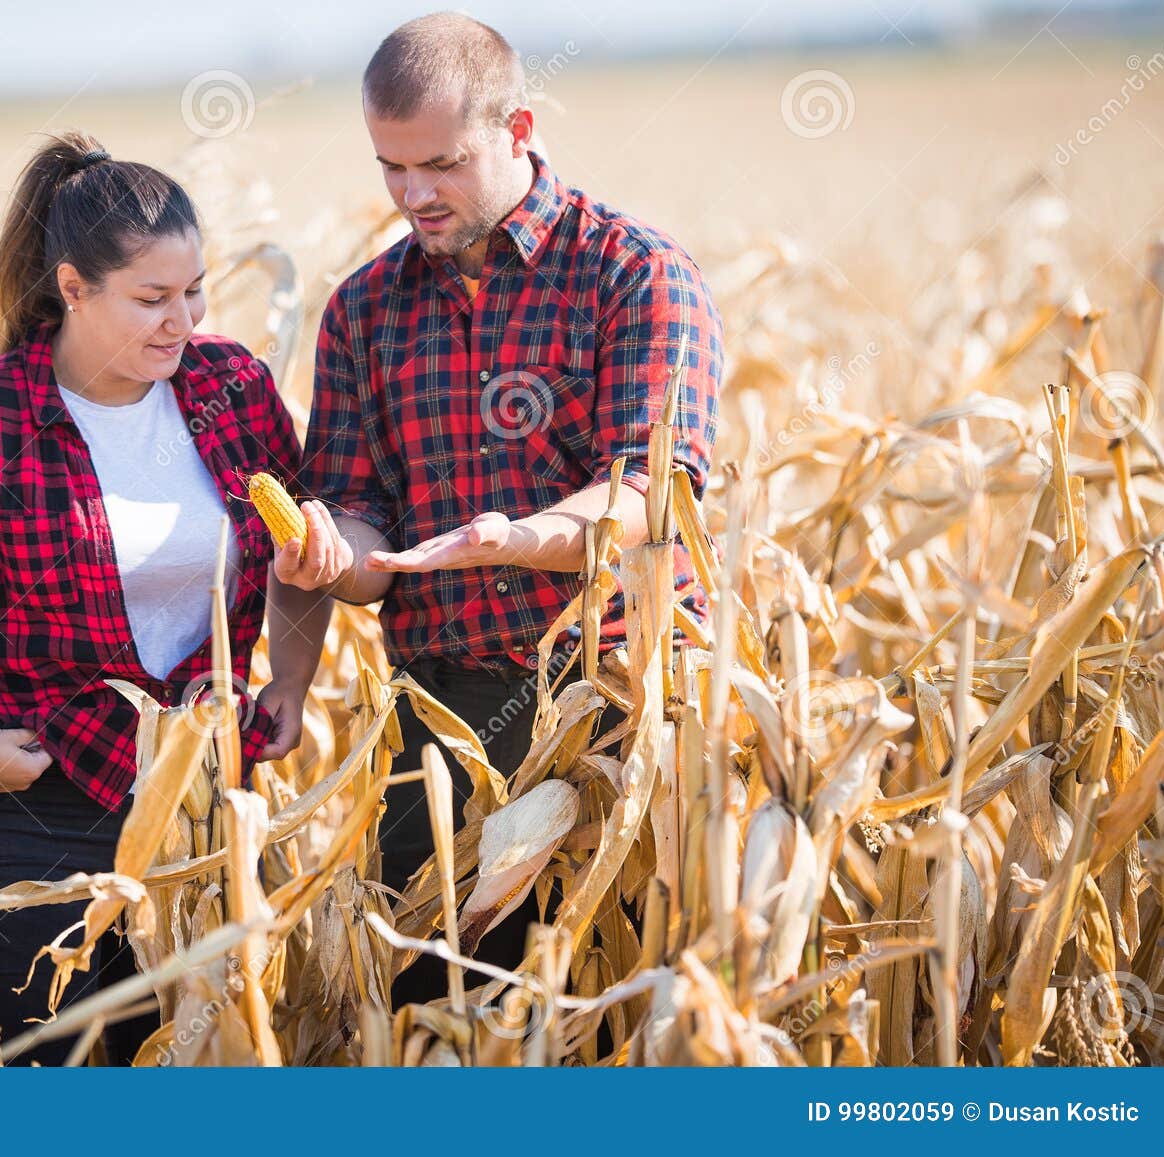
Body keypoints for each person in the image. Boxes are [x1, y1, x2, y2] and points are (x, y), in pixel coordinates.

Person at [0, 132, 318, 1065]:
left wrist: (292, 680)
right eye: (152, 299)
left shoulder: (231, 388)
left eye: (196, 290)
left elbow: (298, 548)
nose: (183, 320)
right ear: (73, 288)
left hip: (201, 819)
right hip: (22, 819)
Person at [273, 13, 724, 1004]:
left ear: (517, 126)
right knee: (433, 1014)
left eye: (438, 163)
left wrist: (514, 540)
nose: (409, 195)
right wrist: (329, 559)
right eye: (389, 167)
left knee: (621, 1013)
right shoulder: (361, 309)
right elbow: (357, 519)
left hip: (620, 703)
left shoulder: (634, 273)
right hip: (438, 723)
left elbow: (653, 493)